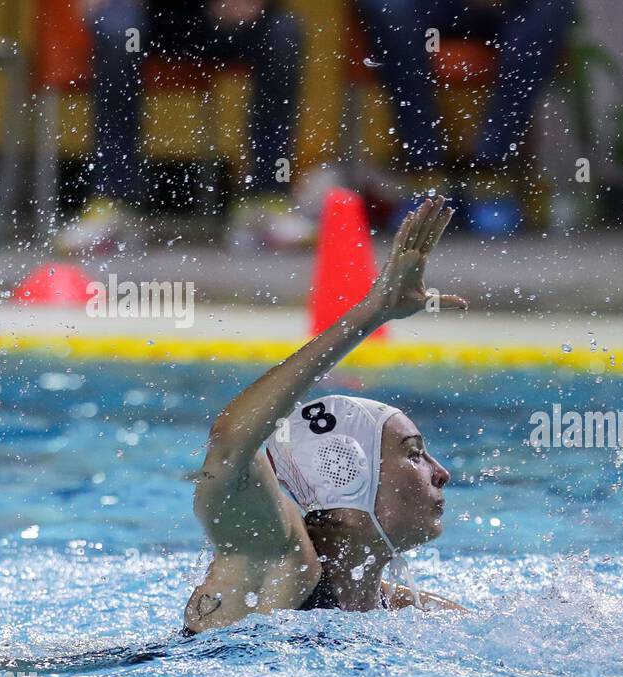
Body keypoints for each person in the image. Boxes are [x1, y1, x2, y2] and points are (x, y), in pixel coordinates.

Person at [182, 196, 465, 636]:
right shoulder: (276, 562)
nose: (441, 473)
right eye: (414, 454)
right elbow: (231, 443)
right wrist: (374, 311)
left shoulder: (397, 607)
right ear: (349, 475)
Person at [58, 0, 312, 254]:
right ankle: (113, 203)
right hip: (143, 21)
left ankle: (266, 199)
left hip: (219, 19)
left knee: (283, 33)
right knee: (117, 30)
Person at [355, 0, 576, 175]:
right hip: (428, 8)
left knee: (552, 5)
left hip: (506, 12)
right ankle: (423, 162)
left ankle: (491, 161)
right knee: (384, 4)